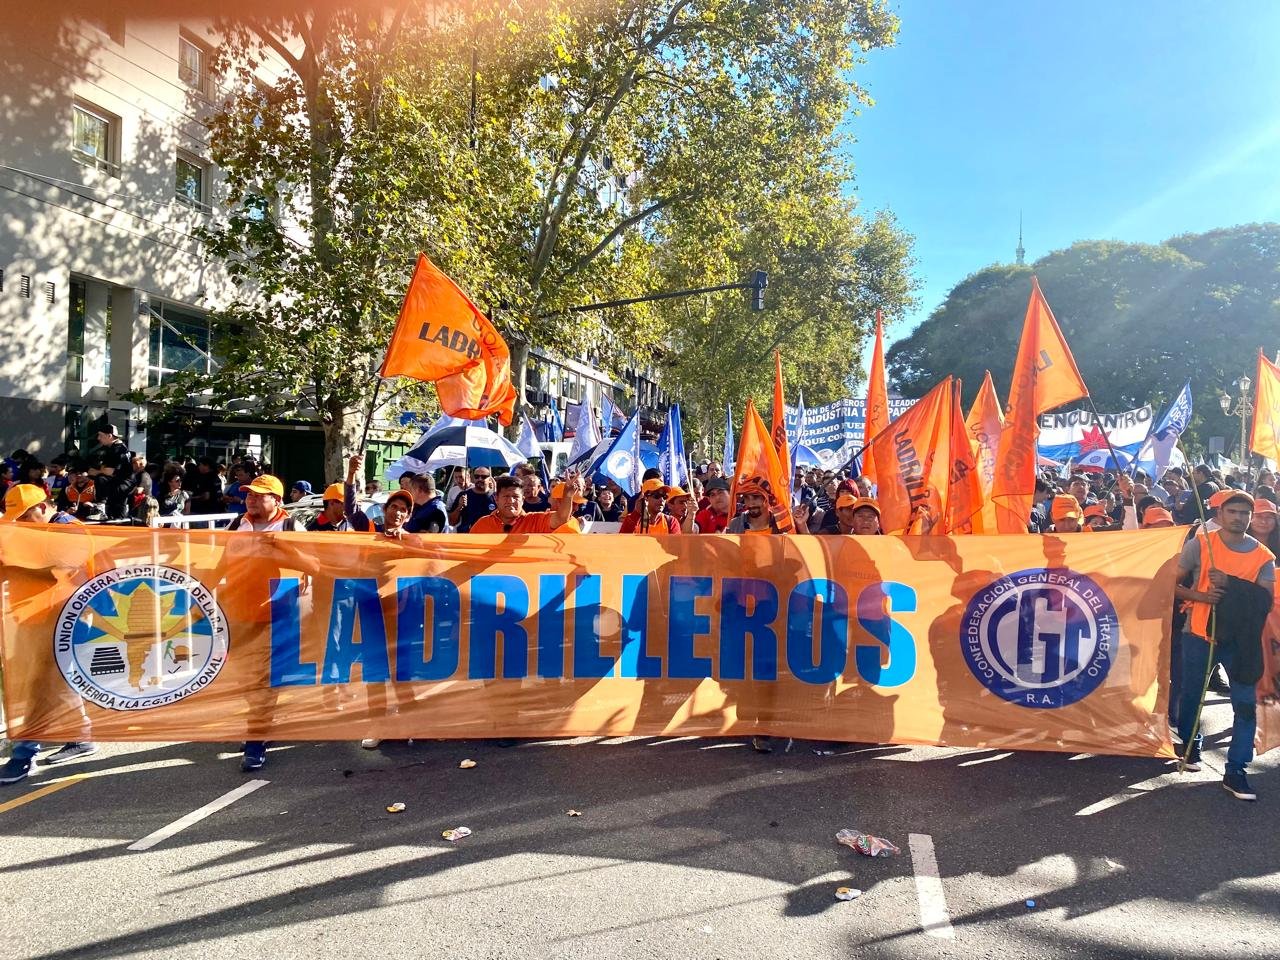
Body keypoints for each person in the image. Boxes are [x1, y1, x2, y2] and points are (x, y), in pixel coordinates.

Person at [1174, 490, 1276, 800]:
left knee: (1244, 706)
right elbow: (1170, 584)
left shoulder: (1263, 557)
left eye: (1244, 513)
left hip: (1242, 644)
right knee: (1191, 695)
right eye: (1232, 512)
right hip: (1200, 634)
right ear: (1220, 516)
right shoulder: (1201, 544)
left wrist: (1230, 584)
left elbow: (1264, 601)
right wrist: (1202, 597)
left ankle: (1236, 771)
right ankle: (1191, 747)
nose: (1239, 518)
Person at [0, 484, 96, 784]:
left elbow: (60, 570)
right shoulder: (37, 530)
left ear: (42, 507)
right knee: (59, 680)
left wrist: (13, 563)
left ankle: (24, 753)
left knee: (37, 683)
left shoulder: (69, 530)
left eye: (26, 516)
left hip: (66, 616)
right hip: (43, 615)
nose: (22, 523)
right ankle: (81, 736)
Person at [468, 473, 580, 534]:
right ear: (496, 499)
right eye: (506, 496)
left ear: (523, 499)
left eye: (515, 497)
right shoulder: (482, 525)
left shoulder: (535, 521)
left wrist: (568, 496)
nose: (511, 501)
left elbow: (561, 519)